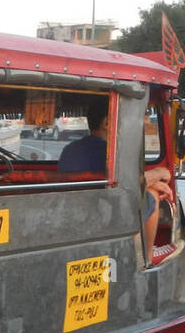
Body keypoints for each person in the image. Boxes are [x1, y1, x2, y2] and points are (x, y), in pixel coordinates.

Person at [57, 107, 175, 259]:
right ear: (107, 123)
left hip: (69, 213)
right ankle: (148, 256)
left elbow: (131, 180)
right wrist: (159, 173)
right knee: (150, 195)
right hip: (101, 216)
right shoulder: (110, 153)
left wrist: (149, 181)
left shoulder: (70, 149)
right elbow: (130, 183)